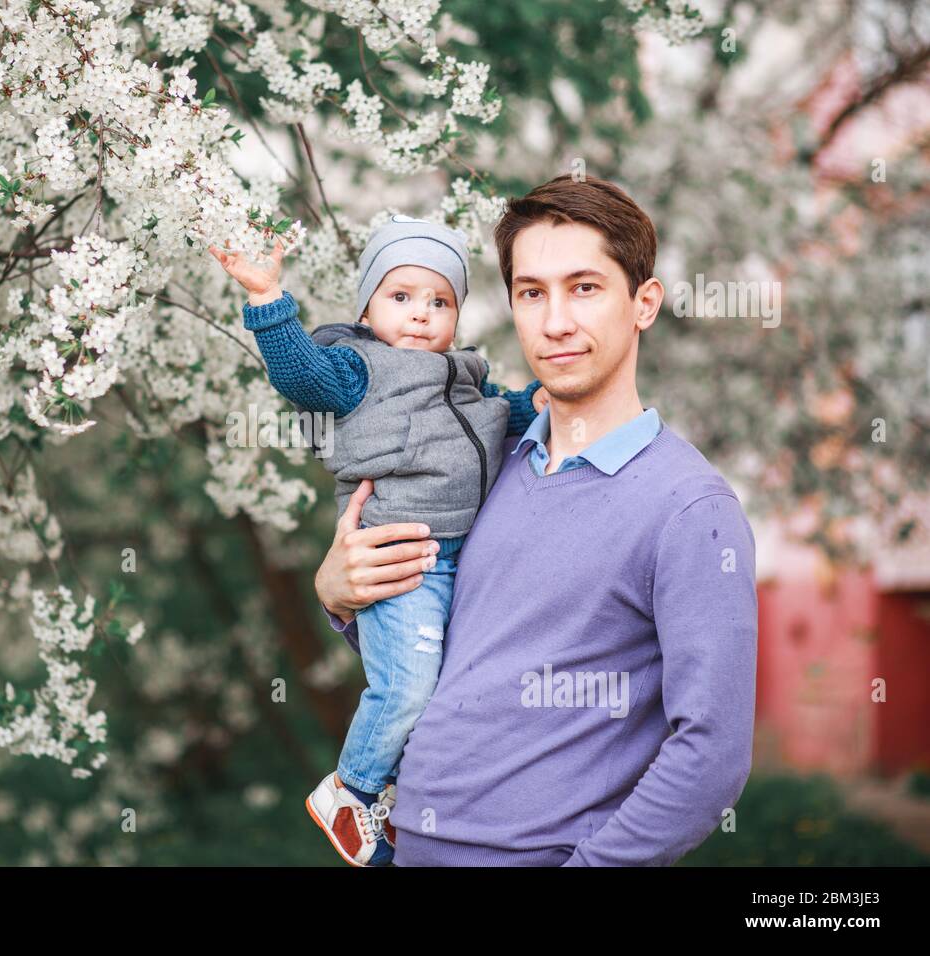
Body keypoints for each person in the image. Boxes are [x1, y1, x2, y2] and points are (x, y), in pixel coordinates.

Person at [312, 175, 759, 866]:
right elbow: (444, 667)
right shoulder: (488, 468)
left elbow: (712, 756)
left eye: (584, 287)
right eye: (531, 292)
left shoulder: (688, 509)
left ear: (643, 303)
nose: (554, 322)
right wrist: (343, 598)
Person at [209, 214, 547, 865]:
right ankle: (351, 789)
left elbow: (508, 414)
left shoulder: (465, 376)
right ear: (367, 307)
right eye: (401, 297)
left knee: (442, 692)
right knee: (408, 685)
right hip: (398, 561)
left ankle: (391, 791)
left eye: (439, 301)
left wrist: (549, 400)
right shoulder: (360, 371)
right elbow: (299, 376)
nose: (421, 315)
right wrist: (265, 299)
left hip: (456, 565)